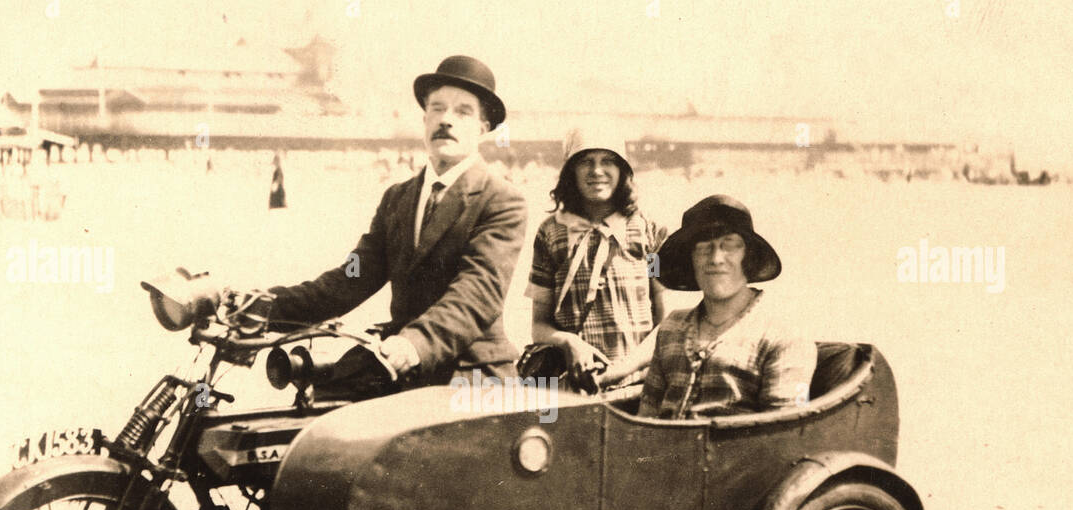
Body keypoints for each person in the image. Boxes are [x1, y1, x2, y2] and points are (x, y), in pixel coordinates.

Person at [264, 55, 526, 384]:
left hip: (471, 375)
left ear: (483, 128)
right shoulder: (398, 198)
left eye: (463, 111)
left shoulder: (500, 199)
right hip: (397, 367)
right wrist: (263, 307)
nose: (447, 120)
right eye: (437, 108)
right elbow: (350, 278)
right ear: (425, 119)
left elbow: (476, 294)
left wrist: (413, 344)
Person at [639, 195, 816, 419]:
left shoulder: (785, 335)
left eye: (730, 245)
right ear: (690, 260)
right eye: (704, 248)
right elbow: (645, 416)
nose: (716, 258)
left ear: (748, 256)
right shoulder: (671, 327)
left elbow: (784, 431)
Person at [525, 125, 668, 387]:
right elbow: (538, 326)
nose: (597, 171)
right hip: (571, 386)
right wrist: (570, 342)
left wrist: (625, 369)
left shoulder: (648, 230)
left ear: (623, 170)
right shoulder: (551, 232)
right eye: (586, 162)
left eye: (608, 161)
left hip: (636, 384)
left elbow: (666, 320)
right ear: (571, 172)